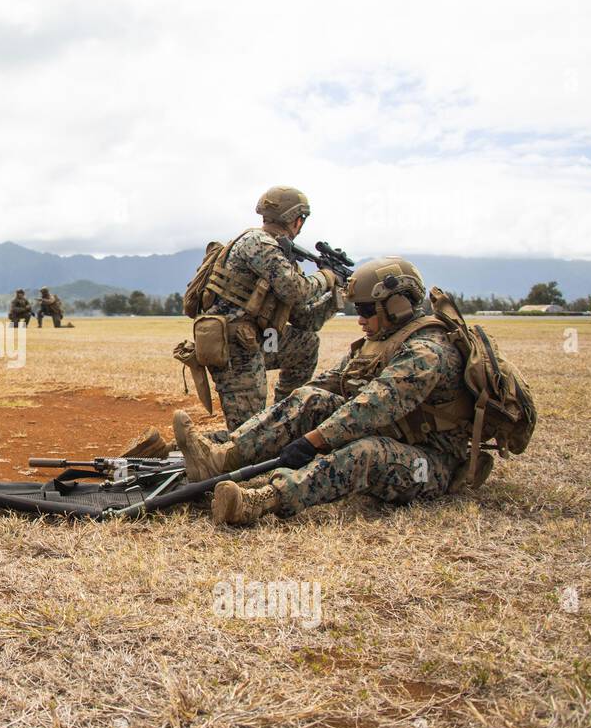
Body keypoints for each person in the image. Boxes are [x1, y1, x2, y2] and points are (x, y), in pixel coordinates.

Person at [174, 257, 486, 525]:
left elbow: (371, 407)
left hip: (432, 464)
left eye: (365, 309)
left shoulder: (426, 352)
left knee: (367, 452)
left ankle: (262, 500)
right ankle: (220, 458)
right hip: (399, 435)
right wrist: (295, 416)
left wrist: (312, 442)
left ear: (397, 305)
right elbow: (331, 382)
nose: (360, 318)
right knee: (311, 399)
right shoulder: (384, 338)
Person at [185, 187, 341, 430]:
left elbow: (306, 319)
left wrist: (336, 297)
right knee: (248, 435)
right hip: (232, 348)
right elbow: (295, 290)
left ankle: (284, 416)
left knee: (306, 343)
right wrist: (327, 278)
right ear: (297, 220)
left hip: (255, 341)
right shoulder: (258, 243)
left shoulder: (280, 256)